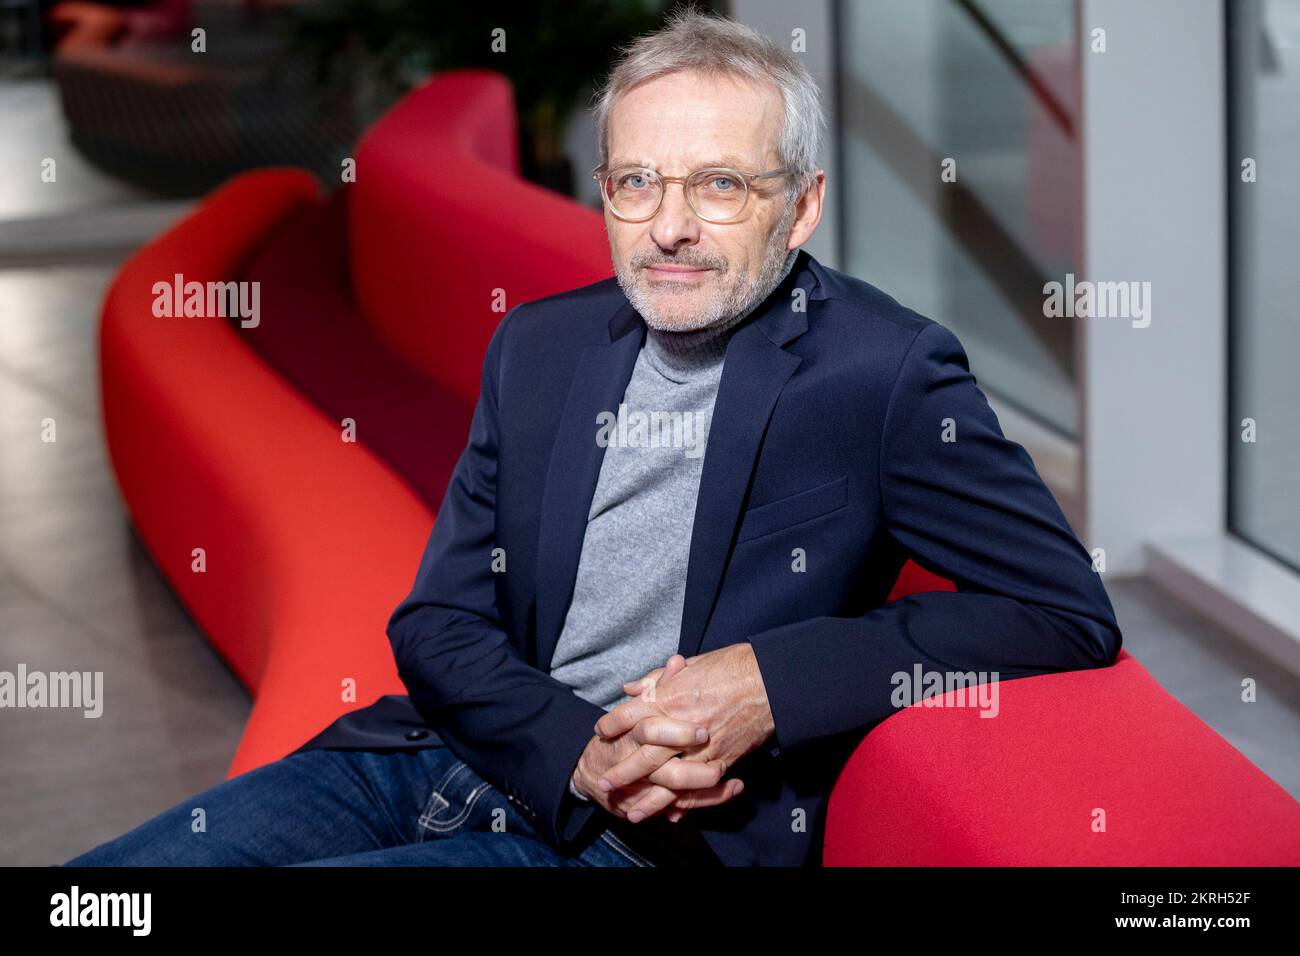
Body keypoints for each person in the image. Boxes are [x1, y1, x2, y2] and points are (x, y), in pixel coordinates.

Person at [65, 7, 1121, 869]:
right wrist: (576, 751)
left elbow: (1060, 610)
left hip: (649, 837)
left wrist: (766, 679)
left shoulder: (882, 373)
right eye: (636, 182)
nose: (667, 225)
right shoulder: (541, 345)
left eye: (718, 184)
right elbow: (436, 619)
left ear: (799, 208)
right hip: (461, 751)